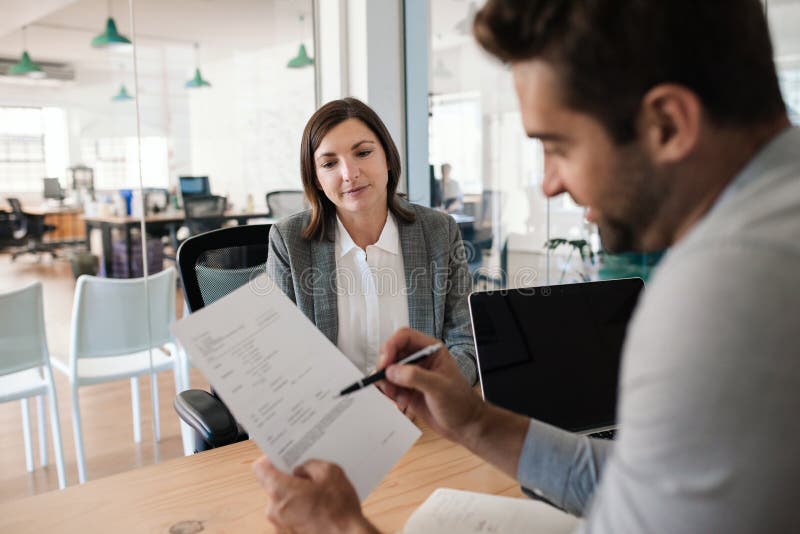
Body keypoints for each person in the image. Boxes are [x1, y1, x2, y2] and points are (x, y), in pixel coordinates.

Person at [253, 1, 800, 532]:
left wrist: (342, 528)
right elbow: (642, 486)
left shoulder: (723, 295)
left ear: (668, 123)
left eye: (556, 145)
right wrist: (471, 420)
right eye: (330, 162)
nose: (548, 183)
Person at [266, 97, 477, 385]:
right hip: (334, 418)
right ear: (316, 179)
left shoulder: (439, 231)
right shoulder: (289, 242)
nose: (349, 174)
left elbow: (466, 345)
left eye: (363, 153)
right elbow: (282, 357)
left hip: (421, 414)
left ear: (388, 158)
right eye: (329, 163)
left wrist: (426, 390)